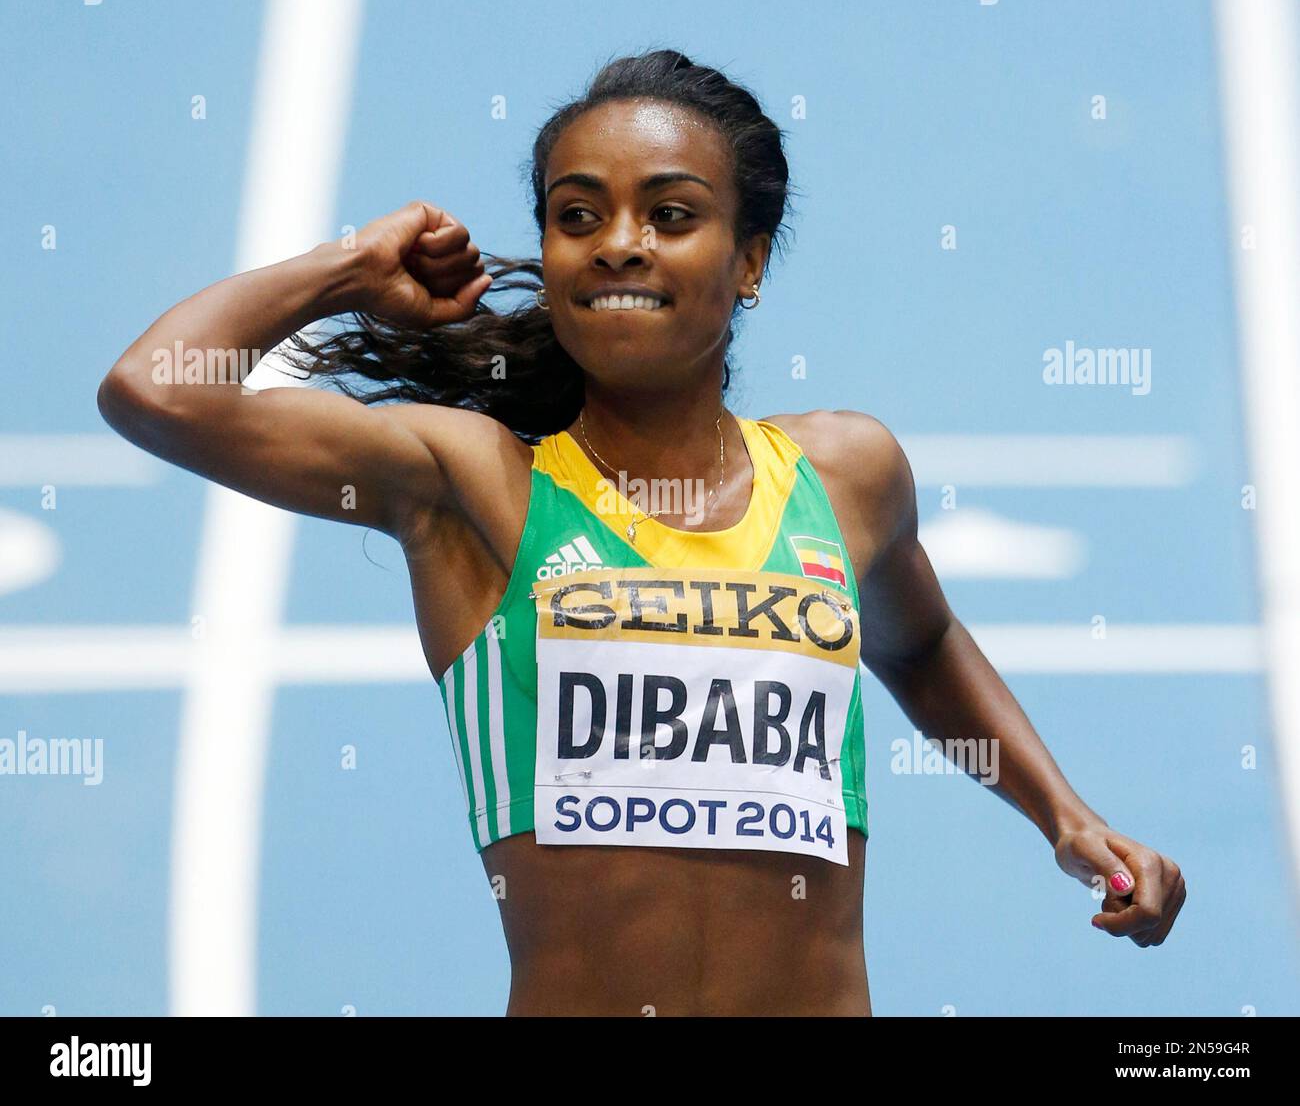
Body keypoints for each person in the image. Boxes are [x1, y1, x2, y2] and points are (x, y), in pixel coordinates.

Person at [97, 49, 1185, 1016]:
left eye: (669, 216)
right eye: (577, 217)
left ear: (748, 262)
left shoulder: (845, 476)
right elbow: (153, 389)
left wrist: (1062, 815)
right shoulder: (473, 487)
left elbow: (920, 642)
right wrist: (343, 272)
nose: (618, 245)